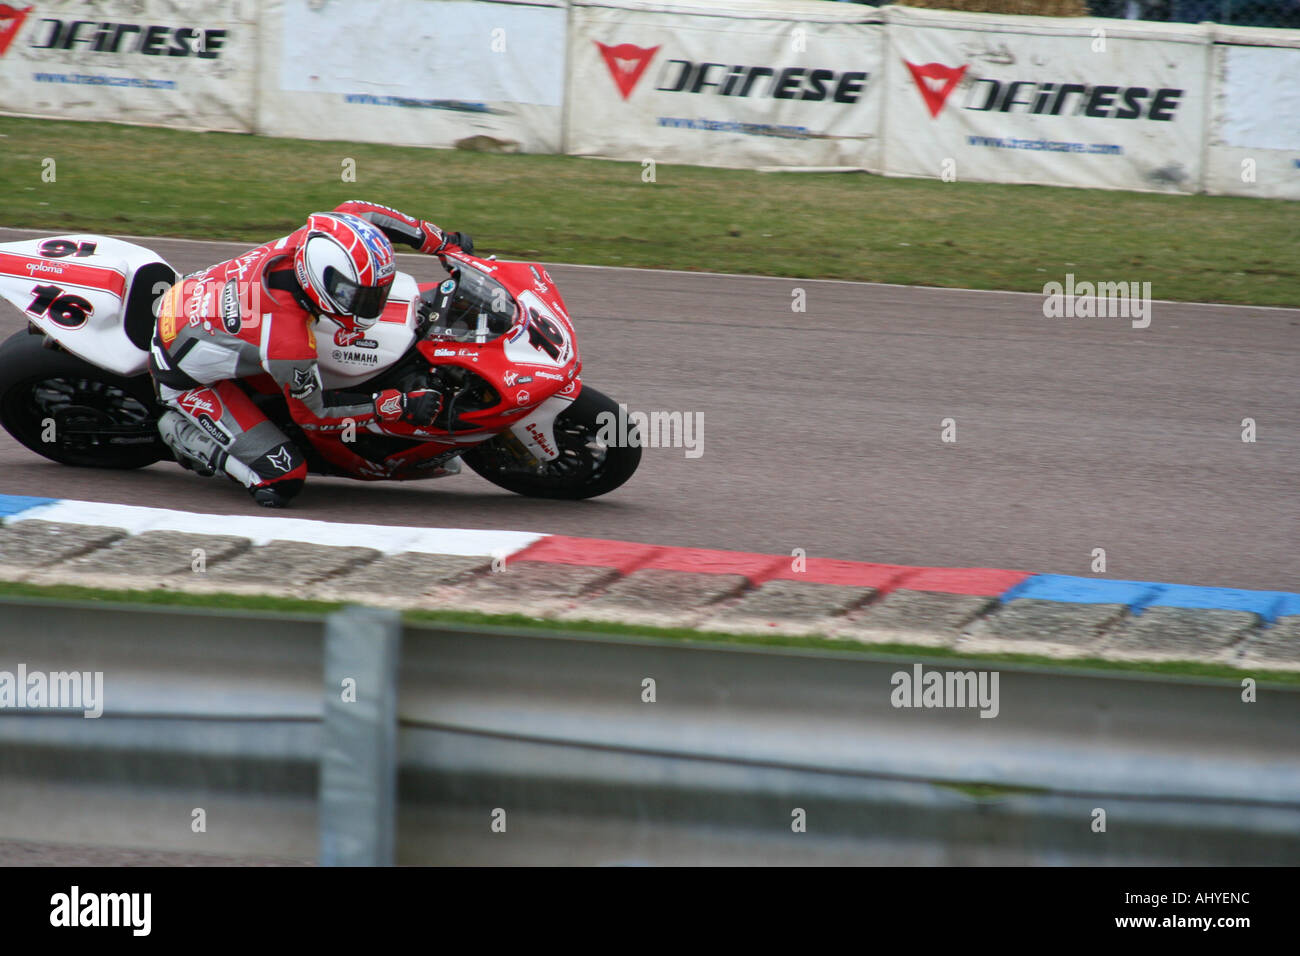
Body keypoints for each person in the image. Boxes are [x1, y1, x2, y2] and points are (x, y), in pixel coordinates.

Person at [148, 201, 473, 507]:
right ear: (322, 283)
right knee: (281, 478)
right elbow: (314, 415)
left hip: (197, 307)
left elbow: (360, 211)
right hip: (184, 374)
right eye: (358, 296)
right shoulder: (287, 341)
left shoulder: (319, 238)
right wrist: (395, 405)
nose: (370, 305)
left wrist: (441, 242)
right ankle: (181, 433)